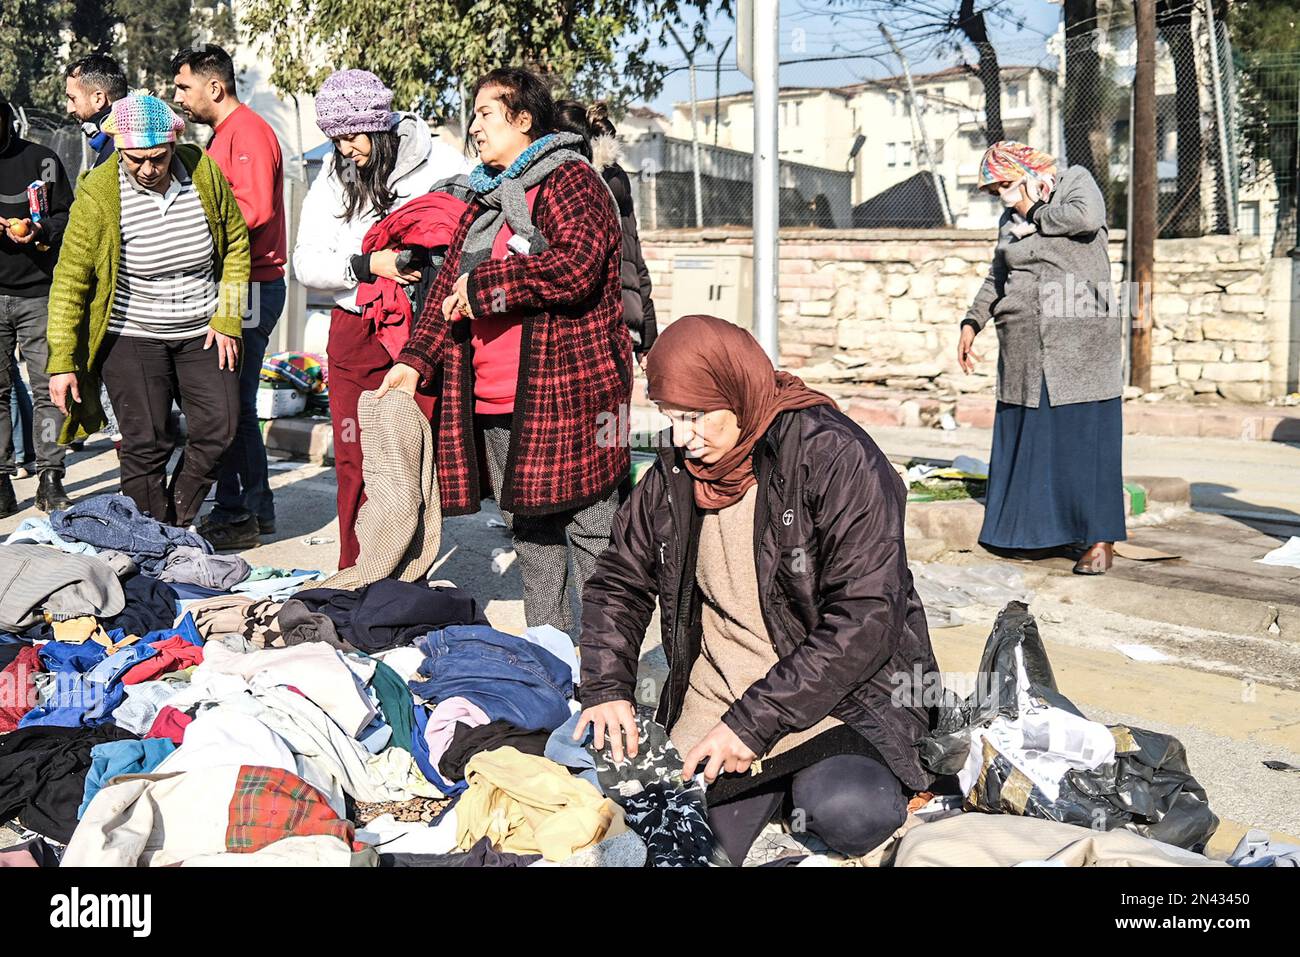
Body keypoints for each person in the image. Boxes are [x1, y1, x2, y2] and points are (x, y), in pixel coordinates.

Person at [574, 314, 938, 865]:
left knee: (848, 811)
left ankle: (804, 773)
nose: (680, 438)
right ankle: (767, 780)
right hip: (720, 691)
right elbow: (620, 579)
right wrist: (607, 687)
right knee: (670, 832)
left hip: (841, 695)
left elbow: (867, 616)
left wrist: (751, 726)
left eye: (696, 418)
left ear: (739, 396)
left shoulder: (835, 458)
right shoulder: (676, 471)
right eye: (671, 419)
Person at [378, 67, 631, 637]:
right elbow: (447, 290)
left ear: (523, 119)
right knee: (531, 534)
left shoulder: (571, 181)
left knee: (592, 531)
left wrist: (489, 287)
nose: (474, 127)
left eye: (486, 114)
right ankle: (553, 657)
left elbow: (576, 266)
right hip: (496, 400)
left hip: (567, 394)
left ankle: (604, 671)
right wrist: (412, 362)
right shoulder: (484, 195)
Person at [46, 94, 250, 528]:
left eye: (157, 158)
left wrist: (229, 317)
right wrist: (62, 361)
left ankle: (171, 524)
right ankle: (147, 541)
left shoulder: (202, 171)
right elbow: (70, 280)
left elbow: (235, 244)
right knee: (146, 441)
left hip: (202, 327)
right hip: (132, 331)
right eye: (135, 159)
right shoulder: (99, 194)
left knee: (220, 426)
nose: (147, 169)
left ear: (174, 145)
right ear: (119, 149)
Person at [293, 69, 469, 570]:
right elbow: (306, 262)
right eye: (336, 138)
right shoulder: (332, 174)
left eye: (352, 135)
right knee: (353, 455)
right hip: (354, 331)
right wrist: (367, 265)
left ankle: (405, 572)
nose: (345, 148)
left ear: (379, 124)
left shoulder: (439, 163)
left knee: (411, 456)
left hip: (422, 329)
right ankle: (355, 572)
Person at [957, 141, 1125, 575]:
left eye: (1006, 184)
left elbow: (1085, 219)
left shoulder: (1074, 182)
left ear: (1028, 171)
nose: (1004, 196)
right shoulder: (1007, 218)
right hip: (1024, 344)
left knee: (1083, 438)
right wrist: (972, 322)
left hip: (1079, 339)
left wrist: (1033, 211)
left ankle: (1098, 539)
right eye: (997, 191)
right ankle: (1033, 534)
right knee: (1031, 438)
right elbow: (998, 275)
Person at [171, 44, 288, 549]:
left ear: (214, 87)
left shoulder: (248, 133)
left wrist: (185, 233)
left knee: (226, 405)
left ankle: (238, 511)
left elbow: (253, 209)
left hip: (250, 286)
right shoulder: (226, 135)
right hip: (239, 286)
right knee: (231, 401)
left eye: (183, 86)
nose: (177, 96)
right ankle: (254, 509)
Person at [0, 87, 76, 517]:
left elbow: (67, 216)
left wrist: (37, 228)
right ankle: (1, 480)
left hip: (39, 295)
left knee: (50, 390)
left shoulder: (41, 159)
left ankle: (50, 476)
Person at [554, 100, 658, 362]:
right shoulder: (616, 180)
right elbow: (636, 261)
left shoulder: (578, 187)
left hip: (591, 323)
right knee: (614, 404)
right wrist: (648, 337)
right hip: (626, 322)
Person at [64, 53, 128, 170]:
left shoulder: (121, 151)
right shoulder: (121, 143)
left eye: (73, 98)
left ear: (99, 99)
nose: (69, 109)